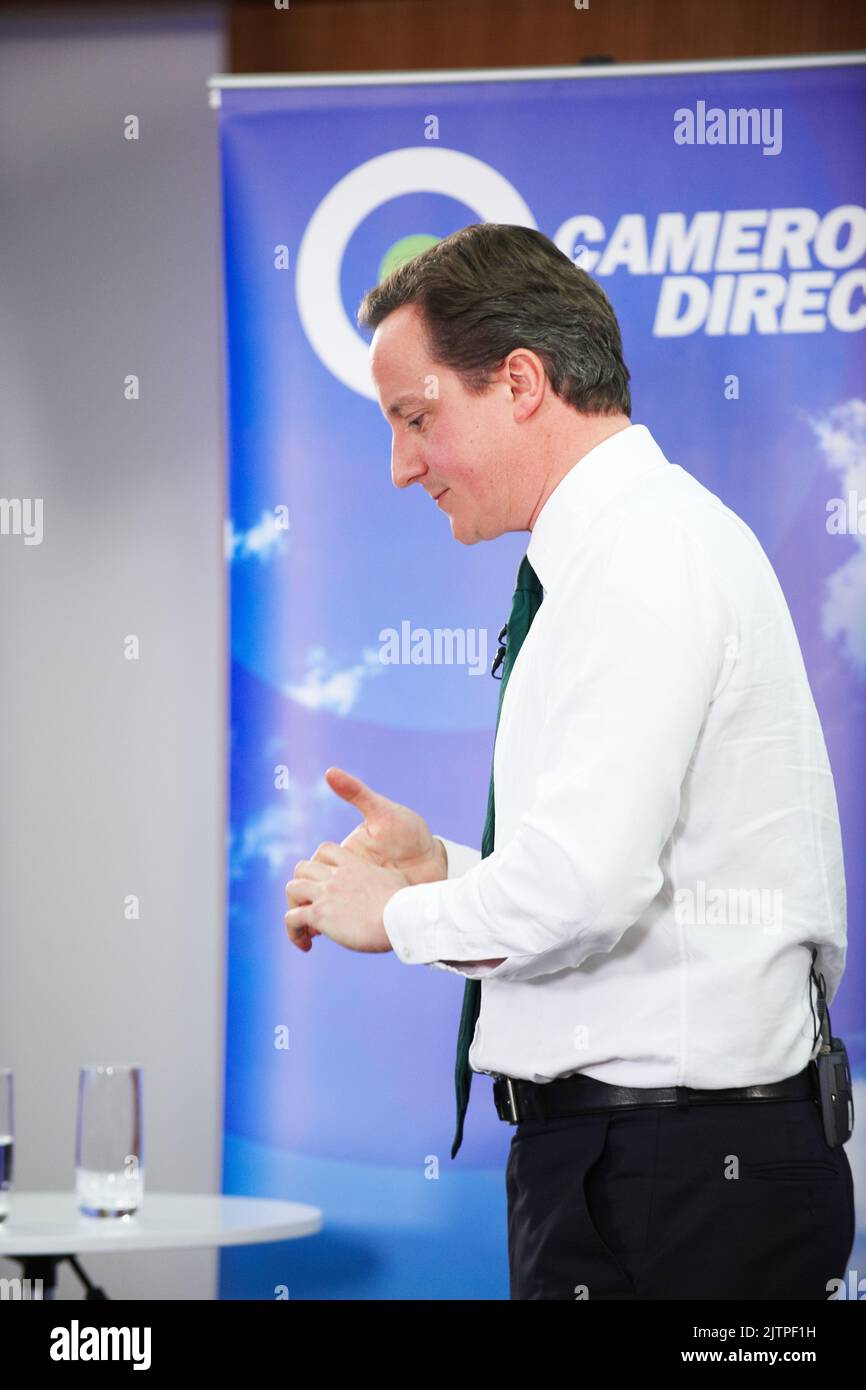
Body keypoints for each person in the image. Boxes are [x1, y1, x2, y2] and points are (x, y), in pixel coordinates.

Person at [284, 223, 854, 1300]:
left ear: (519, 383)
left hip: (676, 1185)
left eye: (414, 419)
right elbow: (635, 880)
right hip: (644, 1174)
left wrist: (394, 918)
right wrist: (445, 870)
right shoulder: (620, 552)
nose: (400, 467)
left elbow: (583, 892)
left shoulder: (641, 557)